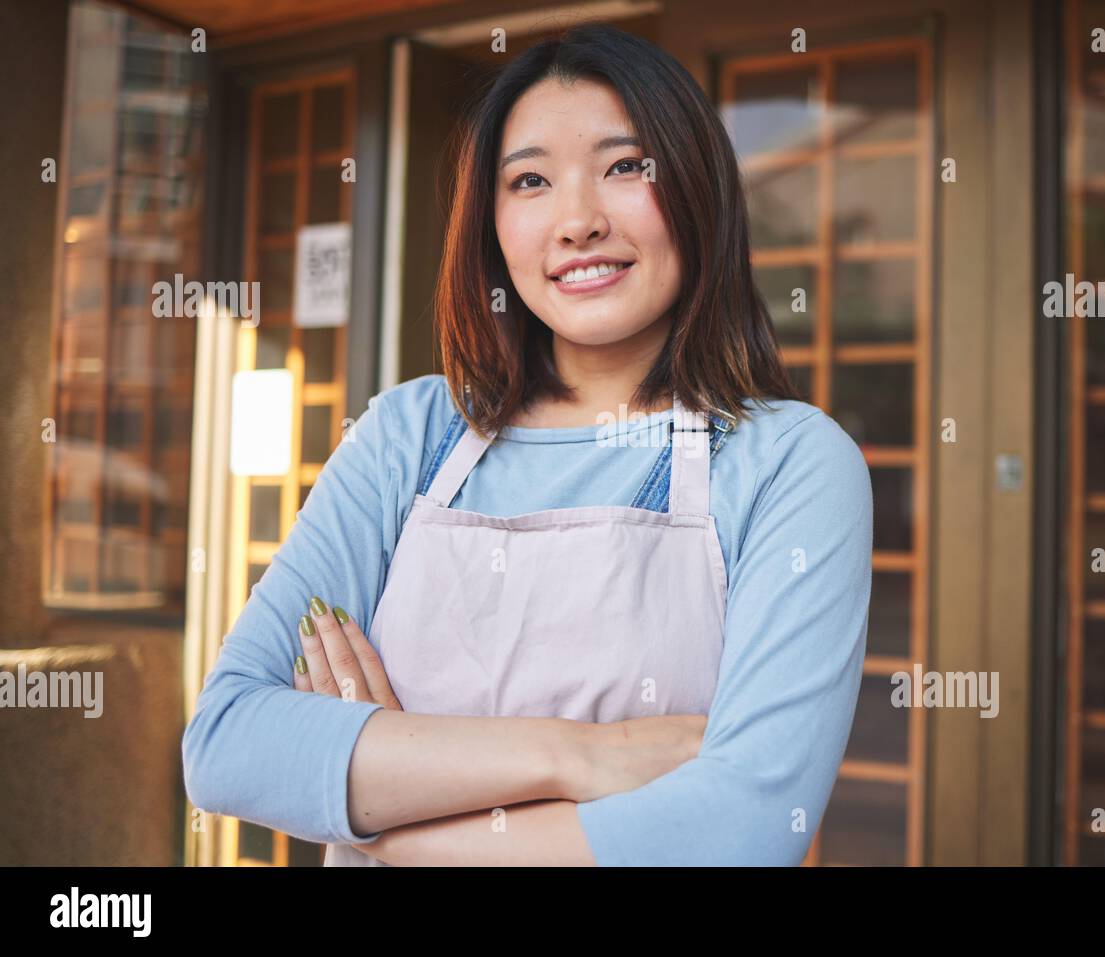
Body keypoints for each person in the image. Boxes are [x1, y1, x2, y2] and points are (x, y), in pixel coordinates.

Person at [182, 22, 873, 866]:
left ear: (696, 187)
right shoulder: (407, 437)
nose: (577, 221)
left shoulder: (790, 464)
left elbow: (746, 826)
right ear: (492, 223)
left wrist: (391, 811)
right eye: (531, 180)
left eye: (624, 167)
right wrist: (584, 755)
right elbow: (226, 743)